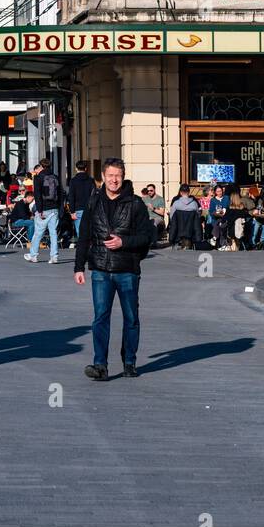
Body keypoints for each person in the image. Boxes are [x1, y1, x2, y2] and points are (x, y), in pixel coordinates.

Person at [74, 157, 153, 380]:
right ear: (103, 178)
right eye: (110, 176)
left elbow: (147, 236)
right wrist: (78, 267)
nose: (114, 180)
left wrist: (124, 243)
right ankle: (100, 365)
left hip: (127, 269)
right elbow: (84, 236)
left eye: (118, 176)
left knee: (131, 318)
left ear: (123, 176)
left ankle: (129, 361)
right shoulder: (93, 202)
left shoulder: (135, 203)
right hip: (100, 268)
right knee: (100, 317)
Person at [25, 157, 62, 264]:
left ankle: (33, 255)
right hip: (54, 208)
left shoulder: (38, 177)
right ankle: (54, 256)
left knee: (38, 233)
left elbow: (37, 194)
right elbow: (60, 193)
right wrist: (60, 209)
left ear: (41, 166)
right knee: (53, 233)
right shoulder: (55, 177)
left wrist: (39, 210)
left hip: (44, 208)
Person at [67, 160, 96, 243]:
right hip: (89, 209)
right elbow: (94, 195)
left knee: (80, 232)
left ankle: (83, 249)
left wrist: (72, 211)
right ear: (86, 169)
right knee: (89, 230)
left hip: (78, 209)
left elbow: (71, 197)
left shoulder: (73, 181)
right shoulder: (91, 180)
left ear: (76, 169)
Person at [168, 185, 201, 249]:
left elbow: (172, 217)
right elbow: (197, 217)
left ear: (180, 193)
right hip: (191, 231)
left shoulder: (176, 203)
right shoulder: (194, 204)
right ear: (189, 192)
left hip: (178, 230)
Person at [207, 184, 230, 249]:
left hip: (225, 218)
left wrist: (224, 212)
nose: (219, 193)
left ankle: (214, 237)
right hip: (216, 219)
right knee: (220, 223)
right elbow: (211, 211)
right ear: (215, 192)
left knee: (221, 223)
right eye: (218, 191)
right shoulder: (213, 200)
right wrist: (217, 213)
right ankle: (222, 245)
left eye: (220, 191)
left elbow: (229, 208)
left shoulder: (226, 198)